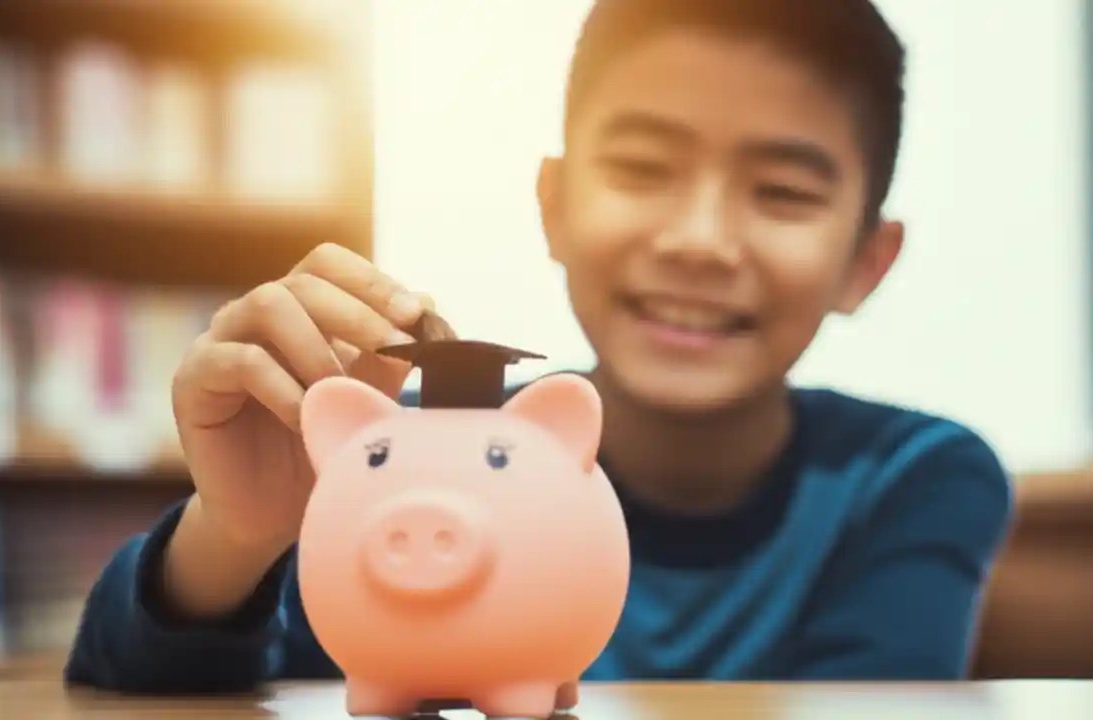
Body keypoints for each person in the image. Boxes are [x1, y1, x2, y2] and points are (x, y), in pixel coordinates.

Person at [64, 0, 1013, 692]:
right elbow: (141, 691)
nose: (699, 240)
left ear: (866, 262)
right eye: (643, 169)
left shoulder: (914, 477)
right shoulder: (398, 458)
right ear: (553, 206)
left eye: (785, 194)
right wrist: (239, 534)